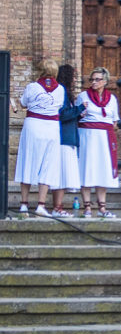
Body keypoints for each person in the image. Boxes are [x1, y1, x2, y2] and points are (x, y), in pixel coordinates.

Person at [15, 59, 64, 217]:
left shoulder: (32, 87)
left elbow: (23, 104)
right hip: (51, 128)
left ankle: (24, 204)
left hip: (34, 125)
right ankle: (41, 205)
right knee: (48, 163)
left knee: (27, 161)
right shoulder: (60, 90)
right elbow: (58, 106)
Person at [76, 66, 119, 218]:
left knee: (103, 170)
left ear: (105, 81)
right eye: (92, 79)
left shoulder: (112, 99)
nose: (94, 82)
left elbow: (114, 121)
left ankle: (102, 207)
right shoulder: (83, 96)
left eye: (97, 79)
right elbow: (77, 116)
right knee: (87, 168)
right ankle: (87, 207)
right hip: (87, 135)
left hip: (104, 138)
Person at [51, 64, 86, 217]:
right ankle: (57, 208)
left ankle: (57, 207)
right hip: (63, 139)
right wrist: (79, 109)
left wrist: (78, 115)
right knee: (61, 175)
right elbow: (63, 115)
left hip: (68, 137)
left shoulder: (65, 93)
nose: (74, 80)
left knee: (63, 175)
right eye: (73, 76)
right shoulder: (62, 92)